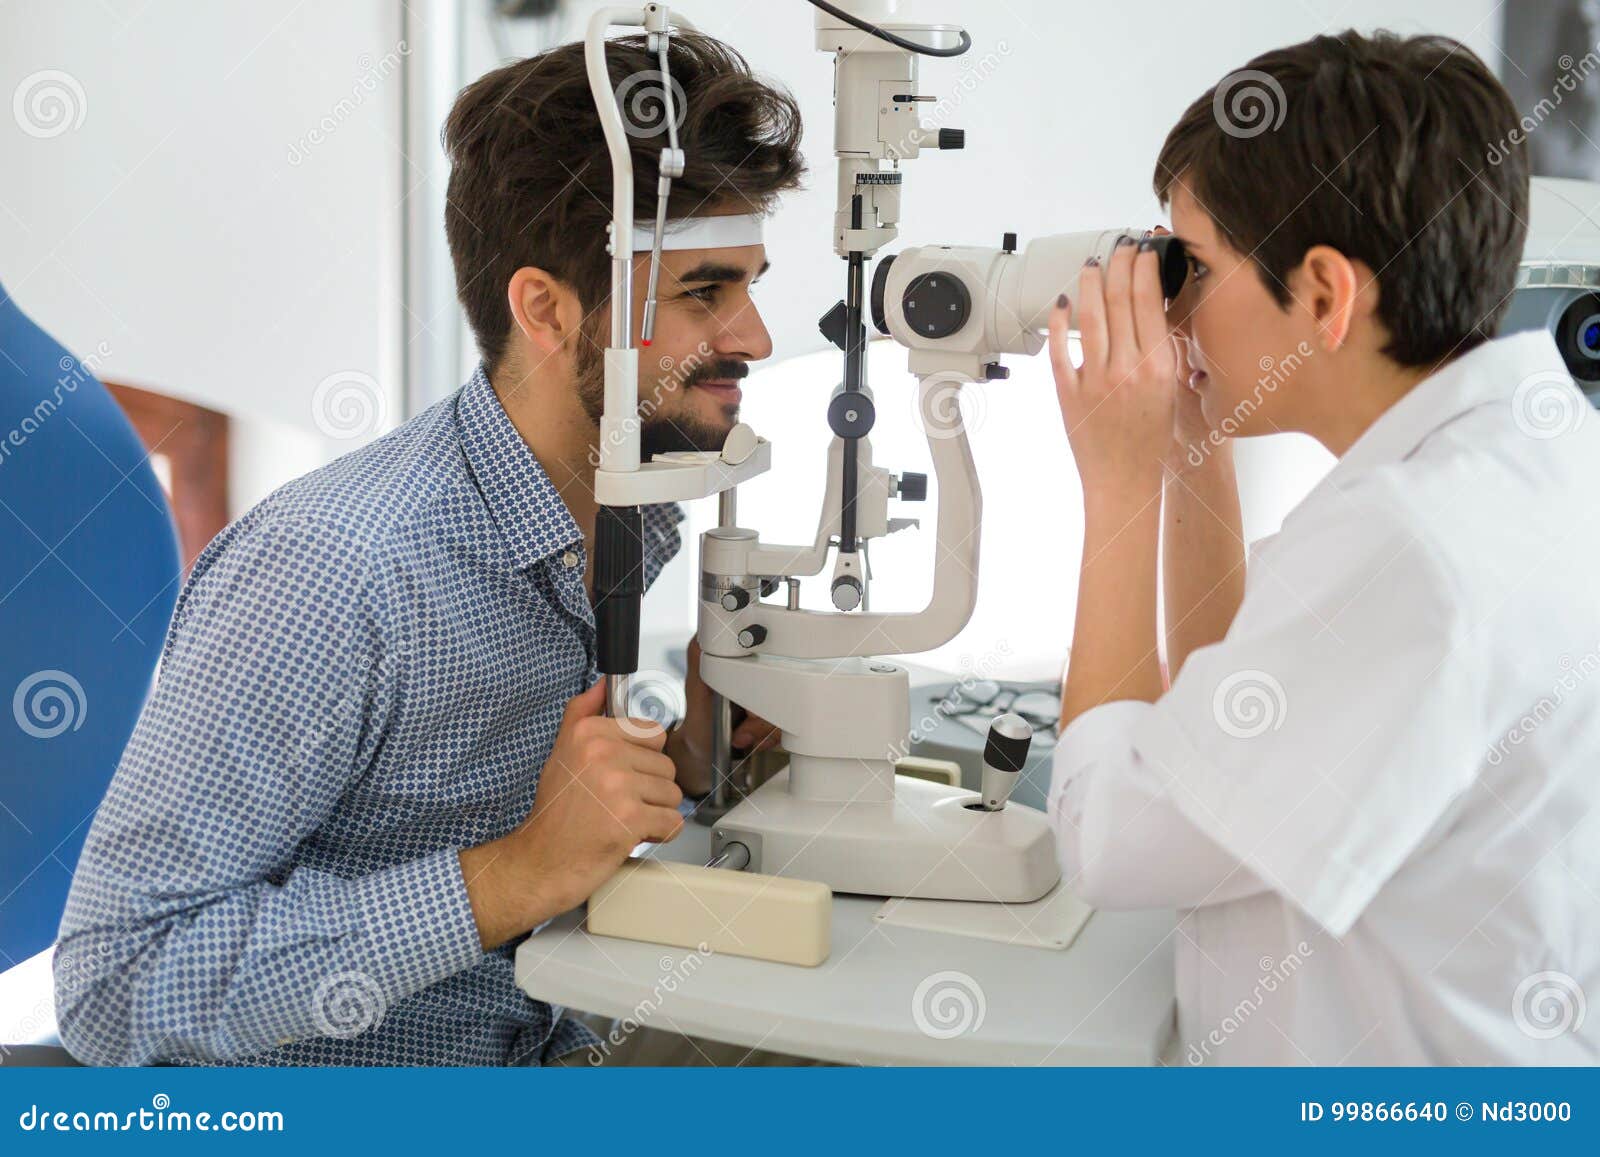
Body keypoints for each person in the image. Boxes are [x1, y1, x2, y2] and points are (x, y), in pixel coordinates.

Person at [55, 32, 806, 1066]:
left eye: (751, 284)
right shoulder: (336, 573)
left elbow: (498, 804)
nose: (756, 336)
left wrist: (687, 766)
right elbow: (114, 985)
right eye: (704, 293)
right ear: (545, 308)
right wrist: (512, 874)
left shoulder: (624, 504)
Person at [1046, 30, 1600, 1064]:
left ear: (1325, 294)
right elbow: (1224, 722)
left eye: (1195, 266)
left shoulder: (1413, 549)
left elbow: (1105, 838)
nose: (1174, 300)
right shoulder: (1530, 458)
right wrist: (1187, 443)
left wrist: (1114, 484)